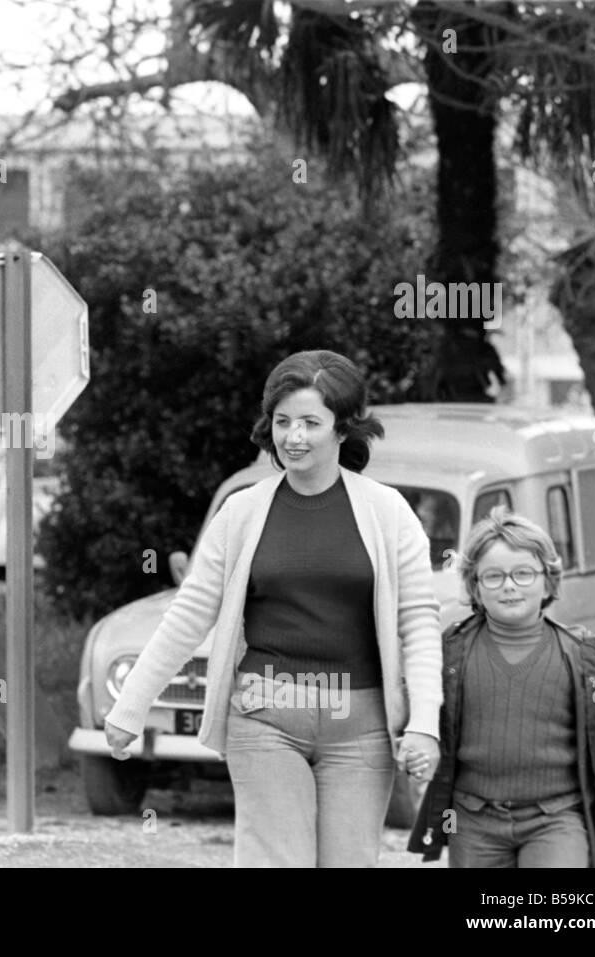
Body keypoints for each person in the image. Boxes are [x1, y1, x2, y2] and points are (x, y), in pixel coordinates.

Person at [104, 349, 443, 867]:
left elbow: (419, 623)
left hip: (361, 728)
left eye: (311, 422)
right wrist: (131, 706)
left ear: (342, 429)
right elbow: (190, 612)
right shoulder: (242, 511)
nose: (294, 437)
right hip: (265, 721)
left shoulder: (388, 512)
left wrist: (424, 722)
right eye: (283, 422)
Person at [408, 507, 595, 867]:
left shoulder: (587, 662)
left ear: (549, 581)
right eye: (493, 576)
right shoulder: (450, 654)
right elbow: (424, 720)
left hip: (557, 819)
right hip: (471, 819)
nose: (508, 585)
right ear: (474, 585)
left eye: (523, 574)